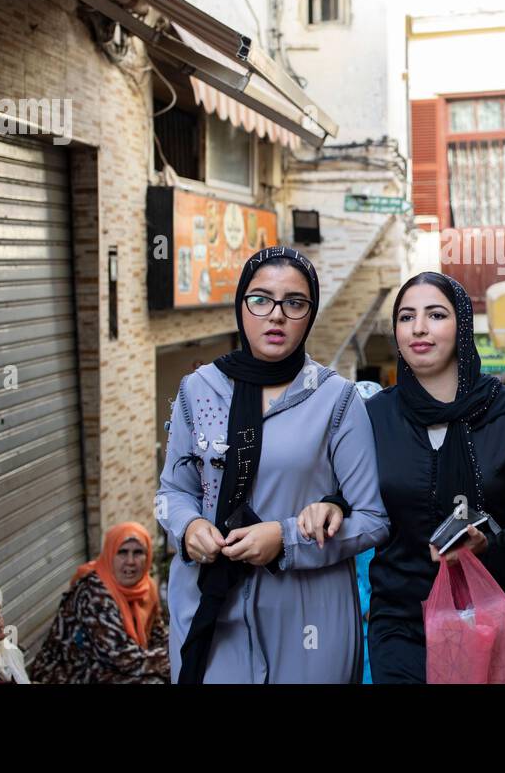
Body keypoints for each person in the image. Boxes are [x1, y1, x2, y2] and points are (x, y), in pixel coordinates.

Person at [303, 272, 505, 683]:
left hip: (488, 616)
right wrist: (330, 505)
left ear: (462, 326)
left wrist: (490, 545)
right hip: (401, 621)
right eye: (406, 317)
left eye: (436, 314)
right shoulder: (372, 418)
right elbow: (348, 493)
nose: (419, 328)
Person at [156, 246, 389, 683]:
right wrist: (188, 528)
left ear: (310, 313)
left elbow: (373, 519)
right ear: (241, 306)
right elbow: (174, 491)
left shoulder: (336, 400)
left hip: (307, 613)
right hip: (211, 603)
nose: (276, 315)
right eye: (260, 299)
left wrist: (284, 540)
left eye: (294, 303)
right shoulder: (198, 389)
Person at [30, 522, 169, 683]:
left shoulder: (146, 588)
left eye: (138, 553)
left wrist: (177, 652)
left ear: (148, 556)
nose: (130, 561)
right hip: (68, 671)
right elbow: (121, 657)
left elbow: (157, 634)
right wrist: (171, 658)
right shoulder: (94, 593)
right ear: (109, 555)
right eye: (122, 552)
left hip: (109, 665)